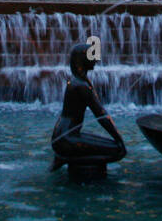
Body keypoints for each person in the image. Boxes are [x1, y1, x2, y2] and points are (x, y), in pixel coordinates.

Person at [51, 43, 126, 176]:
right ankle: (69, 158)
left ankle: (65, 157)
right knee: (118, 150)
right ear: (82, 59)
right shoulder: (81, 86)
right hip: (66, 140)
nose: (96, 60)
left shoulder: (75, 82)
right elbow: (101, 115)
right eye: (91, 56)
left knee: (110, 145)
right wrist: (119, 139)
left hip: (63, 136)